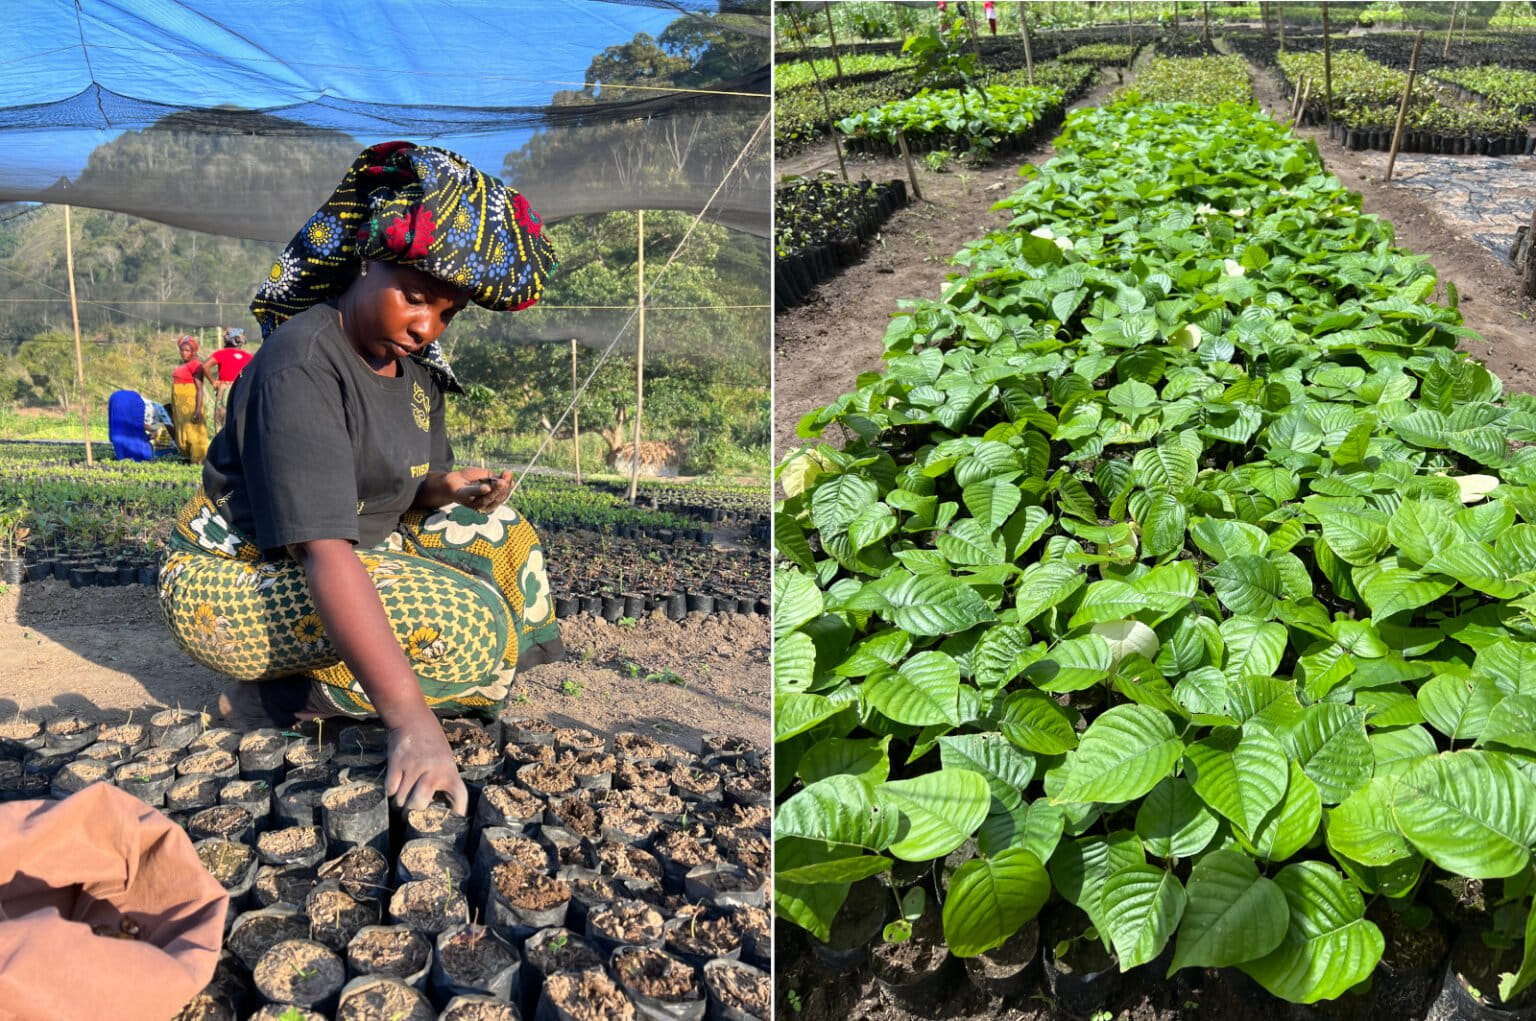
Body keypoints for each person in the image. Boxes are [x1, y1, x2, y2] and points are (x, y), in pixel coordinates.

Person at [157, 140, 563, 815]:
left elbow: (408, 485)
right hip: (235, 576)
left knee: (504, 532)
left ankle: (430, 673)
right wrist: (412, 725)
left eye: (447, 313)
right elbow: (323, 551)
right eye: (414, 297)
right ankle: (277, 695)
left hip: (349, 548)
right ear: (368, 259)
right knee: (468, 628)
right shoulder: (301, 367)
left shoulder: (416, 372)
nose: (426, 325)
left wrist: (451, 489)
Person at [201, 327, 253, 428]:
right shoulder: (248, 357)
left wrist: (214, 382)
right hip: (241, 389)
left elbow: (205, 366)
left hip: (224, 388)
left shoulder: (221, 354)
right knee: (239, 419)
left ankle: (221, 441)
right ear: (238, 340)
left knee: (221, 419)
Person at [170, 334, 209, 462]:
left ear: (193, 352)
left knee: (194, 431)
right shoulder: (183, 366)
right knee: (182, 430)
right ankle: (187, 456)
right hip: (180, 406)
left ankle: (198, 459)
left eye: (187, 350)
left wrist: (197, 410)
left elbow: (199, 388)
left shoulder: (196, 365)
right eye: (182, 350)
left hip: (190, 404)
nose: (184, 353)